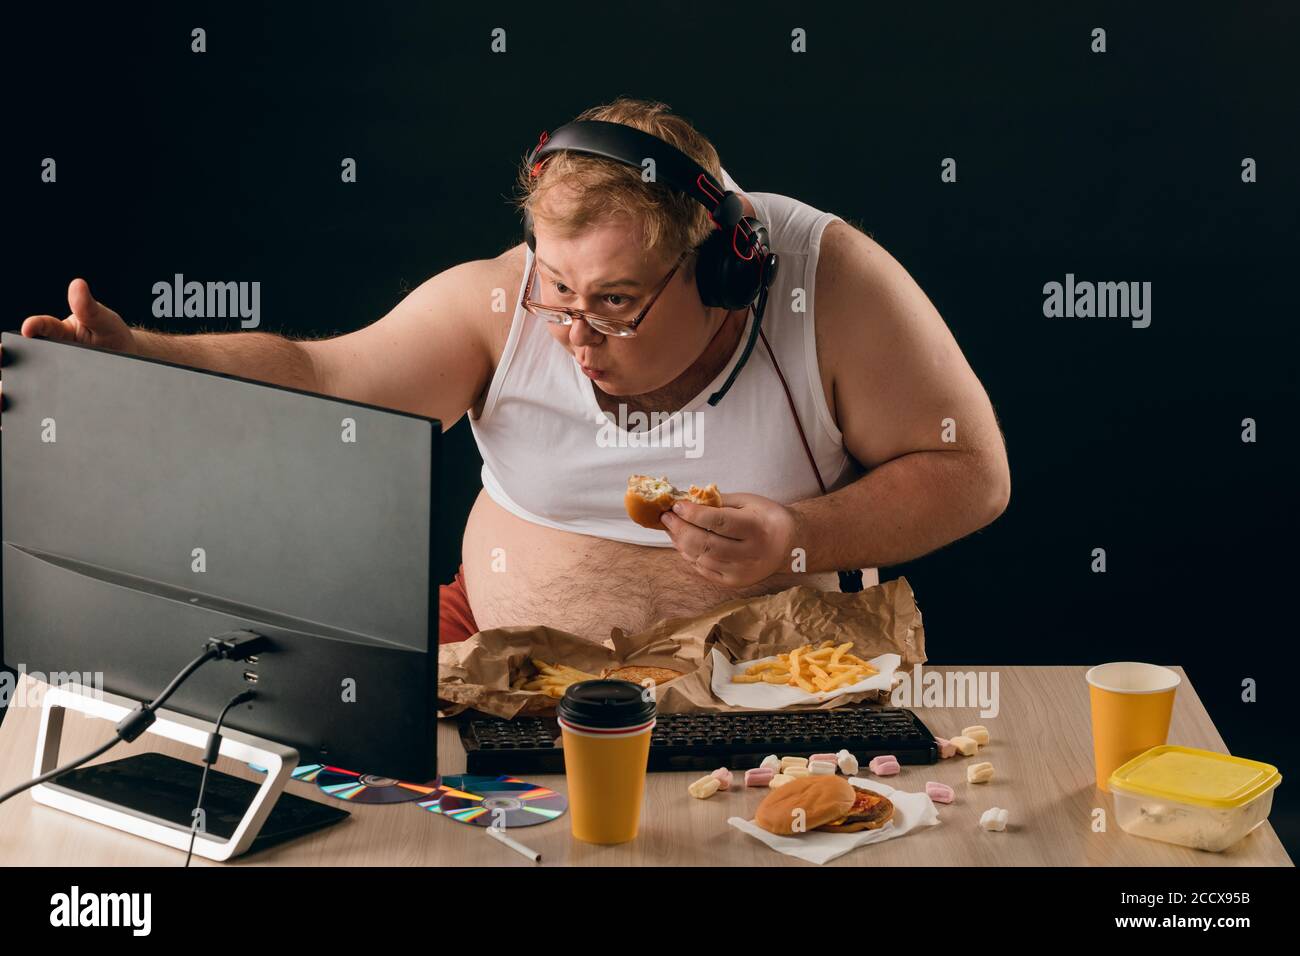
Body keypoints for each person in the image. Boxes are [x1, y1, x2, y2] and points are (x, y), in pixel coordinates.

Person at [8, 97, 1010, 645]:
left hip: (778, 677)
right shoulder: (508, 298)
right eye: (557, 289)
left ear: (720, 267)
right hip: (495, 659)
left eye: (615, 301)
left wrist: (800, 535)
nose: (575, 334)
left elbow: (970, 471)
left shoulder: (823, 286)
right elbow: (321, 371)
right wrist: (141, 355)